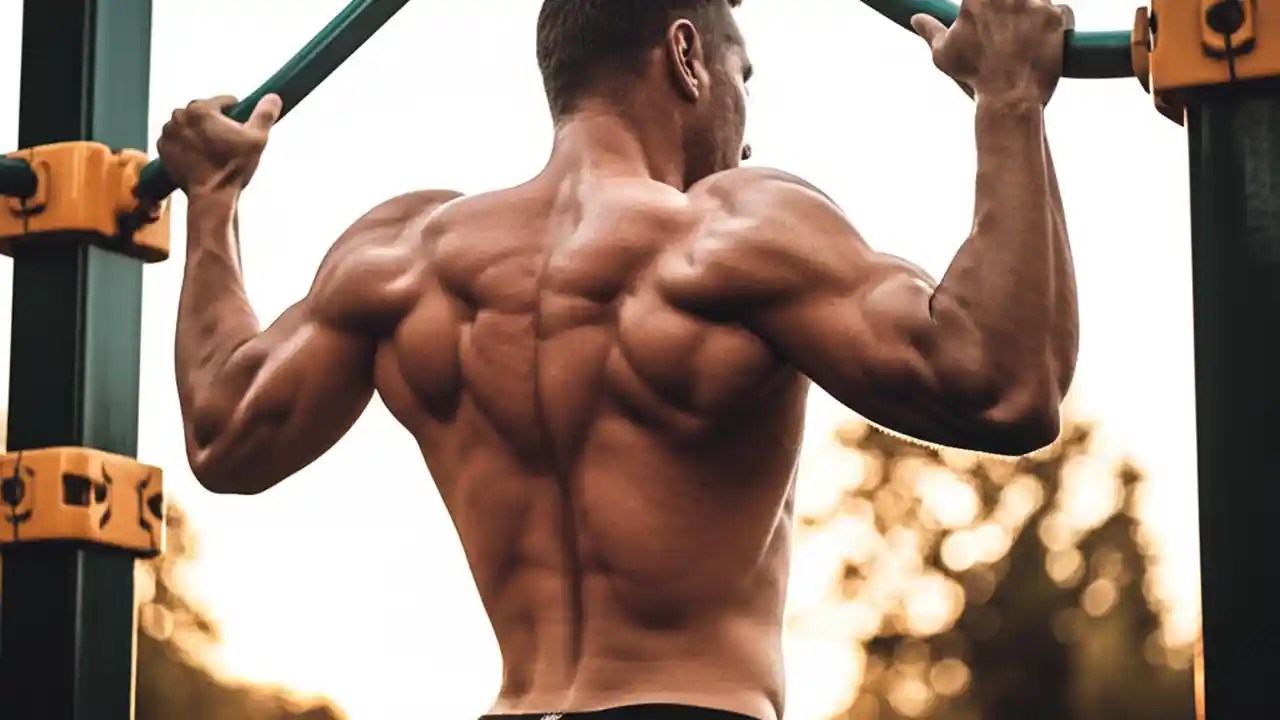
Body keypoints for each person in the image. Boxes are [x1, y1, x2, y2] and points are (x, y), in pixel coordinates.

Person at [158, 0, 1077, 718]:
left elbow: (227, 430)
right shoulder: (732, 234)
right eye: (740, 76)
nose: (747, 131)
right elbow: (1004, 385)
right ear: (685, 56)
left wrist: (214, 202)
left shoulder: (406, 258)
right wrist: (1007, 101)